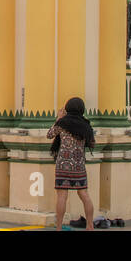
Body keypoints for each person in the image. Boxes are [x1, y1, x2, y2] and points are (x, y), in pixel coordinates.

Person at [47, 97, 95, 230]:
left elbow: (50, 134)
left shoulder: (62, 123)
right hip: (79, 165)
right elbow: (92, 143)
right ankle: (90, 225)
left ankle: (59, 227)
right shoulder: (86, 125)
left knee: (62, 196)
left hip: (63, 164)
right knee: (84, 195)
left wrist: (58, 118)